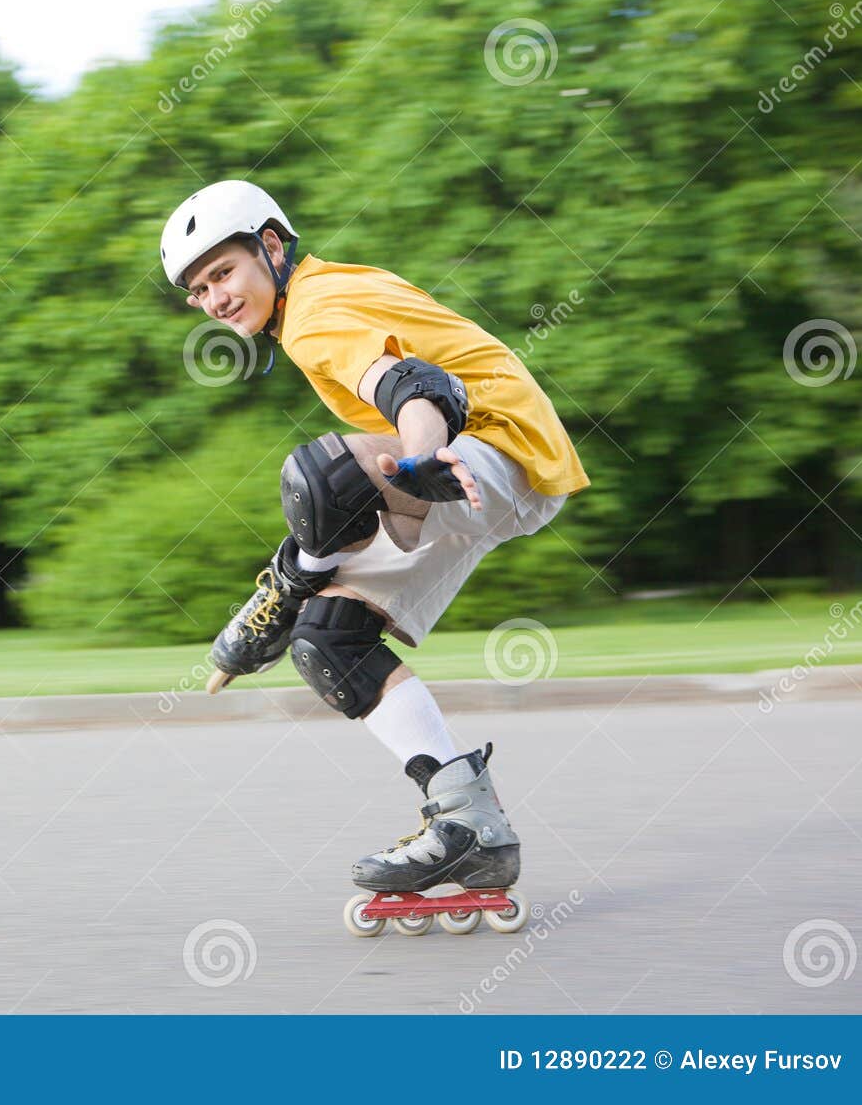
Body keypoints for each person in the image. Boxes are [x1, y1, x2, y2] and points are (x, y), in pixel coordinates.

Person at [160, 180, 589, 902]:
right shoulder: (321, 296)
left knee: (323, 478)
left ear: (271, 245)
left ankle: (282, 586)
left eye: (223, 273)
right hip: (491, 467)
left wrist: (420, 457)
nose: (215, 299)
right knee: (330, 639)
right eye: (199, 290)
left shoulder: (314, 312)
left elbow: (410, 385)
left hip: (491, 448)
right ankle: (468, 825)